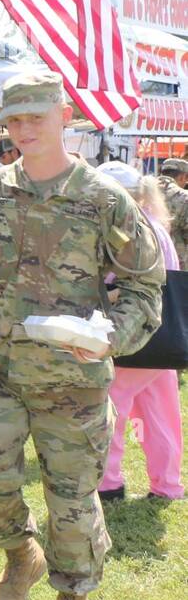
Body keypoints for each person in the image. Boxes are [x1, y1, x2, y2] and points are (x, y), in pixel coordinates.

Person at [0, 71, 164, 600]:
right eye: (14, 119)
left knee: (71, 506)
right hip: (0, 369)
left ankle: (73, 597)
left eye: (36, 116)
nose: (24, 128)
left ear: (64, 115)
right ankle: (21, 556)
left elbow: (145, 287)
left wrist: (112, 339)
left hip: (73, 379)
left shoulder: (104, 199)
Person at [93, 162, 183, 502]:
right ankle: (168, 485)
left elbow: (114, 282)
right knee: (162, 415)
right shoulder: (156, 224)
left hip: (134, 334)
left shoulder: (127, 228)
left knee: (111, 408)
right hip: (165, 335)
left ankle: (109, 484)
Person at [155, 158, 188, 268]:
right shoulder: (184, 197)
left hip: (145, 262)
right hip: (176, 264)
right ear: (182, 177)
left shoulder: (143, 192)